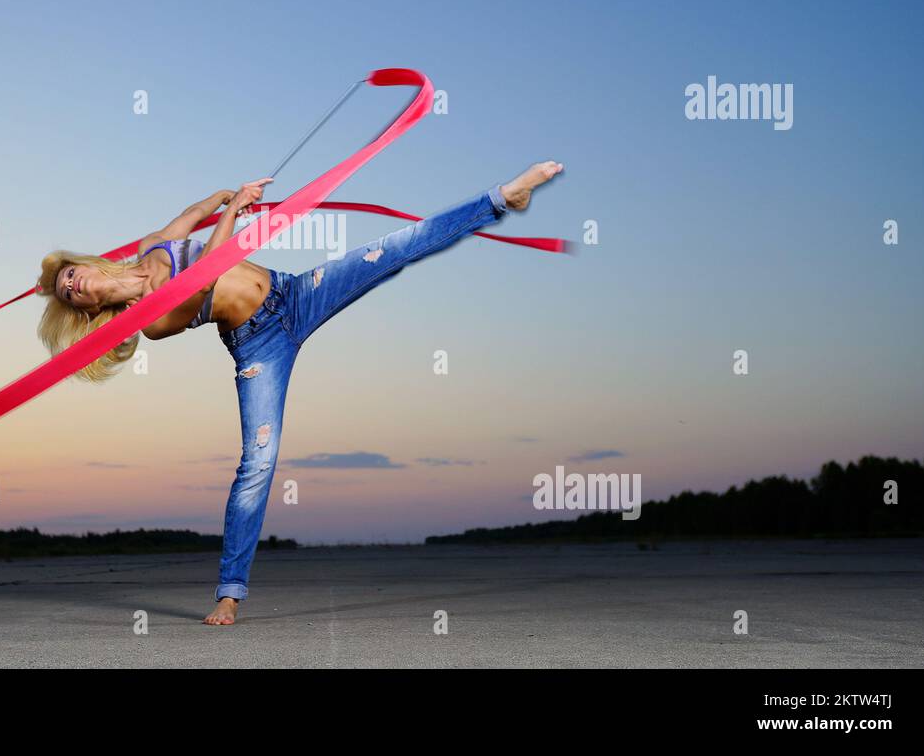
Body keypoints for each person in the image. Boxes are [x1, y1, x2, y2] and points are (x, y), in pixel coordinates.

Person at [36, 161, 564, 625]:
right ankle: (229, 594)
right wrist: (234, 214)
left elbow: (192, 211)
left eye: (71, 275)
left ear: (87, 265)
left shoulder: (153, 245)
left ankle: (501, 199)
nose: (74, 284)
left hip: (294, 293)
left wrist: (228, 194)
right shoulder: (150, 320)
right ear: (86, 310)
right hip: (259, 347)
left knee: (392, 250)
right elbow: (203, 279)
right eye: (68, 292)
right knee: (257, 464)